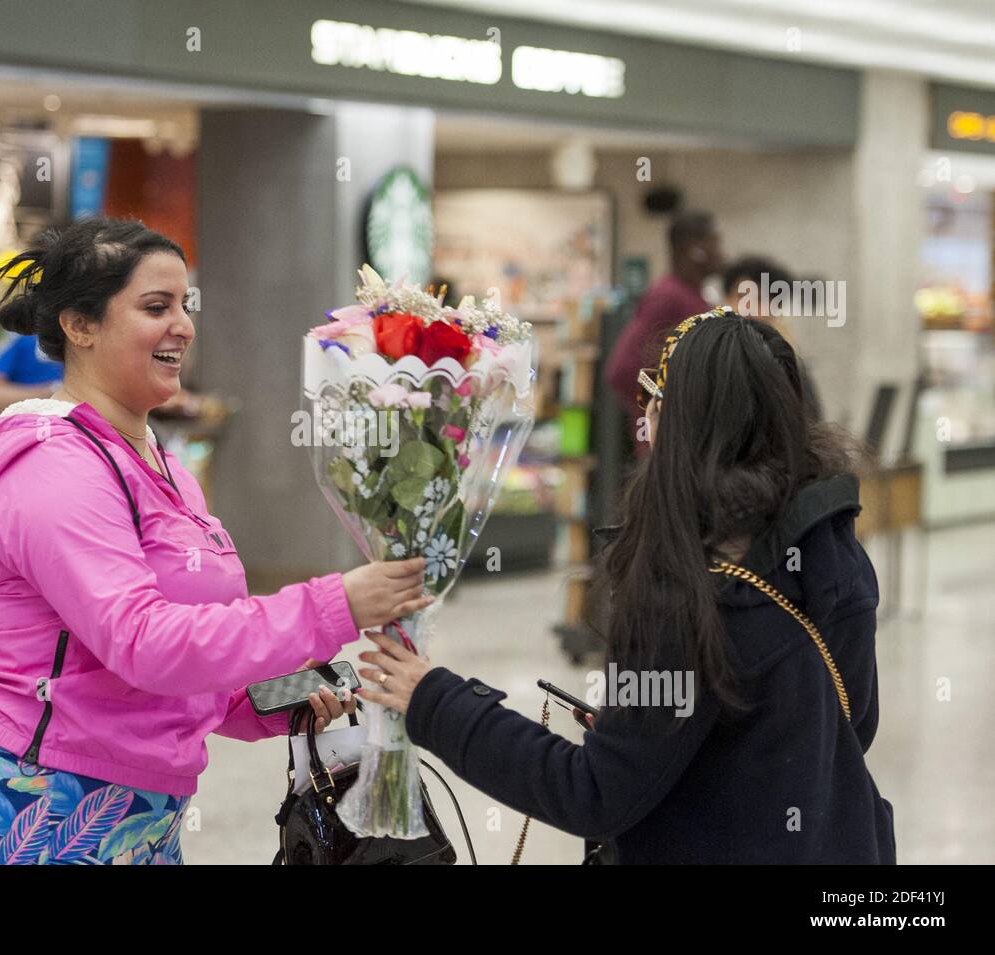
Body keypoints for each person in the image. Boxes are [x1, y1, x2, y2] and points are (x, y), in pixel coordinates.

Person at [0, 217, 432, 865]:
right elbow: (143, 642)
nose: (184, 326)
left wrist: (285, 695)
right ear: (80, 326)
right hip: (38, 809)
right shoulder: (53, 469)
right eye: (155, 306)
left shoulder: (154, 461)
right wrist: (334, 604)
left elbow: (187, 666)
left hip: (136, 815)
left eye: (185, 305)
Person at [358, 307, 896, 864]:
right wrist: (652, 732)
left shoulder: (686, 592)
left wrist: (435, 701)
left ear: (675, 418)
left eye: (650, 398)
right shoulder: (829, 545)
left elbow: (591, 794)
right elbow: (848, 723)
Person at [604, 210, 723, 426]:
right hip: (666, 445)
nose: (722, 253)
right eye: (714, 243)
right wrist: (669, 408)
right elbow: (621, 370)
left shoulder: (693, 296)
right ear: (695, 250)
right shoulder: (668, 297)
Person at [722, 255, 823, 420]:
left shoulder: (789, 370)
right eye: (742, 297)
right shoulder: (706, 357)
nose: (748, 308)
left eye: (759, 300)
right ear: (725, 299)